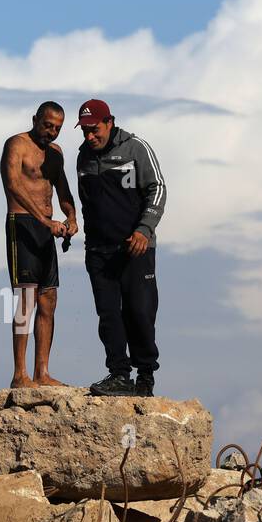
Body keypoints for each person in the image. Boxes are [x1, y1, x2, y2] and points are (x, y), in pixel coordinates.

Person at [74, 99, 165, 397]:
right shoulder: (83, 157)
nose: (90, 136)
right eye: (85, 131)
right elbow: (88, 203)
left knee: (139, 312)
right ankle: (118, 374)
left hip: (135, 249)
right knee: (109, 315)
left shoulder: (136, 147)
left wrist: (144, 230)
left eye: (95, 129)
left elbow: (158, 188)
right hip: (99, 251)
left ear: (109, 122)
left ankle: (145, 376)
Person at [0, 101, 78, 388]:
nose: (52, 132)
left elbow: (64, 191)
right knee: (26, 298)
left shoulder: (56, 154)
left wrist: (71, 217)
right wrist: (45, 222)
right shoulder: (16, 144)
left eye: (57, 128)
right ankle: (19, 374)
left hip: (49, 230)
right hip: (22, 225)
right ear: (35, 119)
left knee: (49, 299)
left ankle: (41, 372)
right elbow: (13, 185)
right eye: (47, 125)